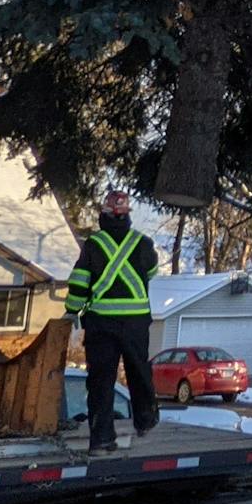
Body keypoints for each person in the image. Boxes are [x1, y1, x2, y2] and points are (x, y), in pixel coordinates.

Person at [65, 189, 159, 452]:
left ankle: (102, 437)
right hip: (136, 322)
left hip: (102, 324)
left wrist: (72, 311)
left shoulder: (94, 245)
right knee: (139, 370)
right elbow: (151, 271)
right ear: (127, 216)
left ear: (103, 215)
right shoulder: (143, 243)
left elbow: (80, 284)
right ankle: (146, 418)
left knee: (101, 381)